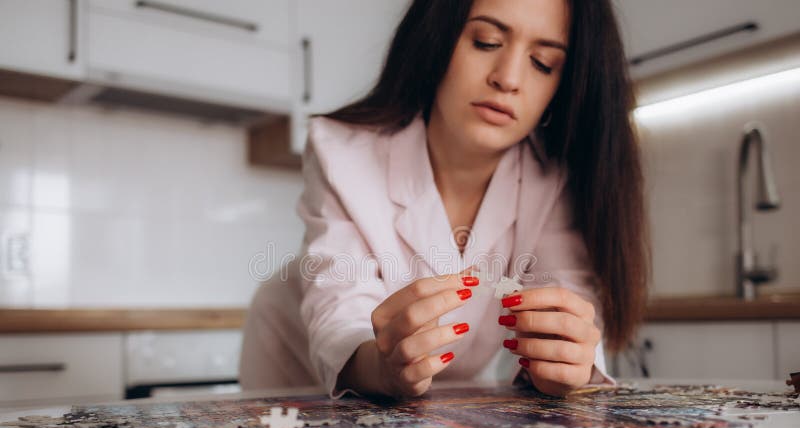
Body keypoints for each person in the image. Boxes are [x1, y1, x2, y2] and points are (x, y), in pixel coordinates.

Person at [239, 0, 650, 400]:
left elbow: (568, 303)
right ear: (435, 40)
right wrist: (381, 366)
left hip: (427, 400)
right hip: (292, 360)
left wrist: (568, 360)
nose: (508, 78)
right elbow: (340, 312)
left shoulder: (552, 179)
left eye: (543, 62)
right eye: (486, 42)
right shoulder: (342, 150)